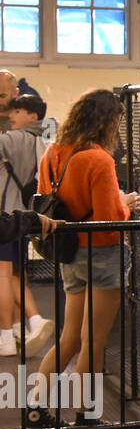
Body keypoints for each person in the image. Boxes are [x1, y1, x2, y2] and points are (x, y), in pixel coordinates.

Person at [26, 89, 140, 428]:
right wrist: (126, 203)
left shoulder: (53, 153)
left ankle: (35, 406)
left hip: (69, 252)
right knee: (94, 340)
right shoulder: (99, 159)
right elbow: (108, 221)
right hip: (102, 255)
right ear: (108, 121)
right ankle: (85, 414)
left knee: (69, 337)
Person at [0, 95, 53, 356]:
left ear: (33, 116)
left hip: (6, 218)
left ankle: (24, 326)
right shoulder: (43, 141)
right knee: (15, 277)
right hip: (24, 217)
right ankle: (22, 328)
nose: (11, 115)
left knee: (2, 278)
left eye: (17, 110)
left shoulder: (15, 139)